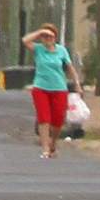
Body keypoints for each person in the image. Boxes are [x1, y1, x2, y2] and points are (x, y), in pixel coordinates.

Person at [22, 24, 83, 159]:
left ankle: (53, 143)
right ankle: (45, 148)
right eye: (45, 36)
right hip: (41, 88)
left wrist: (77, 84)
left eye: (50, 36)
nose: (48, 39)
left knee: (58, 119)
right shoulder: (38, 49)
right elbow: (25, 40)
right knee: (44, 118)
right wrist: (39, 31)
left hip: (59, 88)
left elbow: (70, 68)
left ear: (55, 37)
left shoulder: (61, 51)